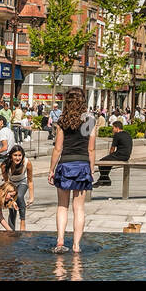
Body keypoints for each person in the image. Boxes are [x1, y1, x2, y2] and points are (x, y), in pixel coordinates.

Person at [47, 87, 95, 252]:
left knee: (62, 206)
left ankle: (60, 240)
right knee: (79, 208)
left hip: (65, 164)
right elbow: (91, 149)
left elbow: (58, 149)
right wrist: (92, 169)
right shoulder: (89, 120)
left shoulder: (63, 120)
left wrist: (51, 169)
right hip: (82, 165)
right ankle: (76, 245)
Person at [2, 145, 35, 229]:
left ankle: (22, 221)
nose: (17, 158)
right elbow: (6, 182)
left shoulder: (27, 163)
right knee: (12, 206)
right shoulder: (5, 165)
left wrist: (31, 197)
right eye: (15, 155)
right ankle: (11, 229)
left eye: (19, 155)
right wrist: (10, 197)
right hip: (11, 183)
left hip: (22, 182)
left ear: (23, 155)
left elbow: (30, 181)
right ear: (11, 156)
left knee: (19, 196)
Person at [95, 118, 133, 187]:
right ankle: (103, 180)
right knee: (108, 163)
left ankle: (105, 180)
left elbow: (112, 148)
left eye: (113, 128)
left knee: (101, 162)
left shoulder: (117, 135)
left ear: (117, 128)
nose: (112, 130)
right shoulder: (127, 134)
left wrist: (110, 156)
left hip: (119, 155)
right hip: (127, 155)